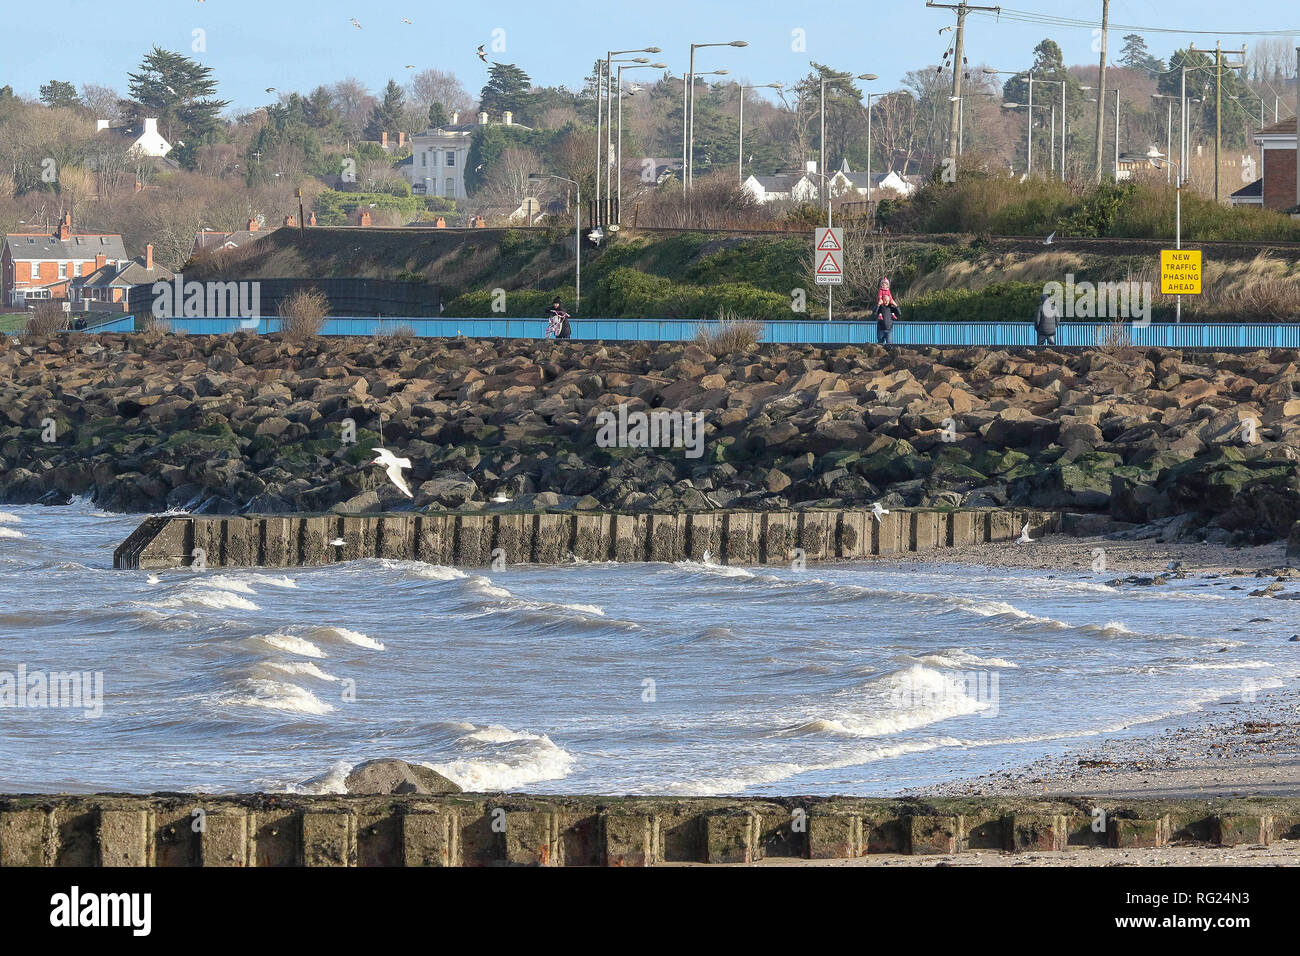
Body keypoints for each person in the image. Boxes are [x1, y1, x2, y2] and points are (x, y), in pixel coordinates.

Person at [874, 278, 900, 346]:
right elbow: (874, 313)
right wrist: (878, 304)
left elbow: (899, 313)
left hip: (889, 329)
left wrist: (895, 305)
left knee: (889, 345)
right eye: (884, 300)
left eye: (887, 300)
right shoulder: (879, 306)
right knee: (879, 345)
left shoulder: (891, 307)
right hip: (881, 329)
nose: (886, 302)